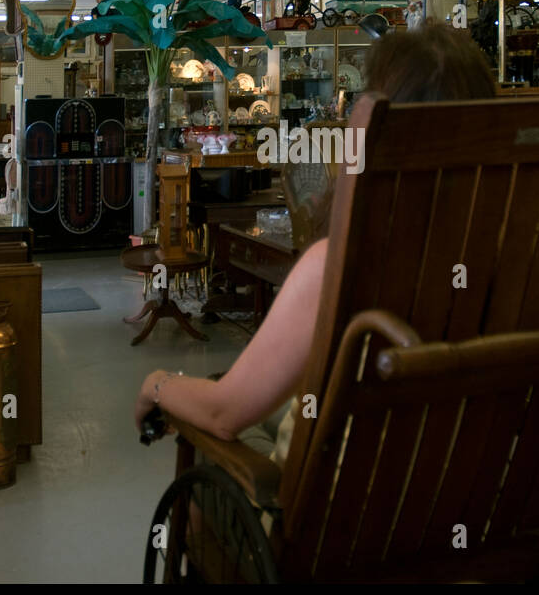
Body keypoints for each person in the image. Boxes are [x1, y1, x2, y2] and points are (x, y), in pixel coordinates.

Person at [133, 23, 496, 463]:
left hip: (345, 512)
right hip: (476, 501)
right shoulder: (512, 255)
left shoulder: (342, 263)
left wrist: (158, 384)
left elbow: (223, 413)